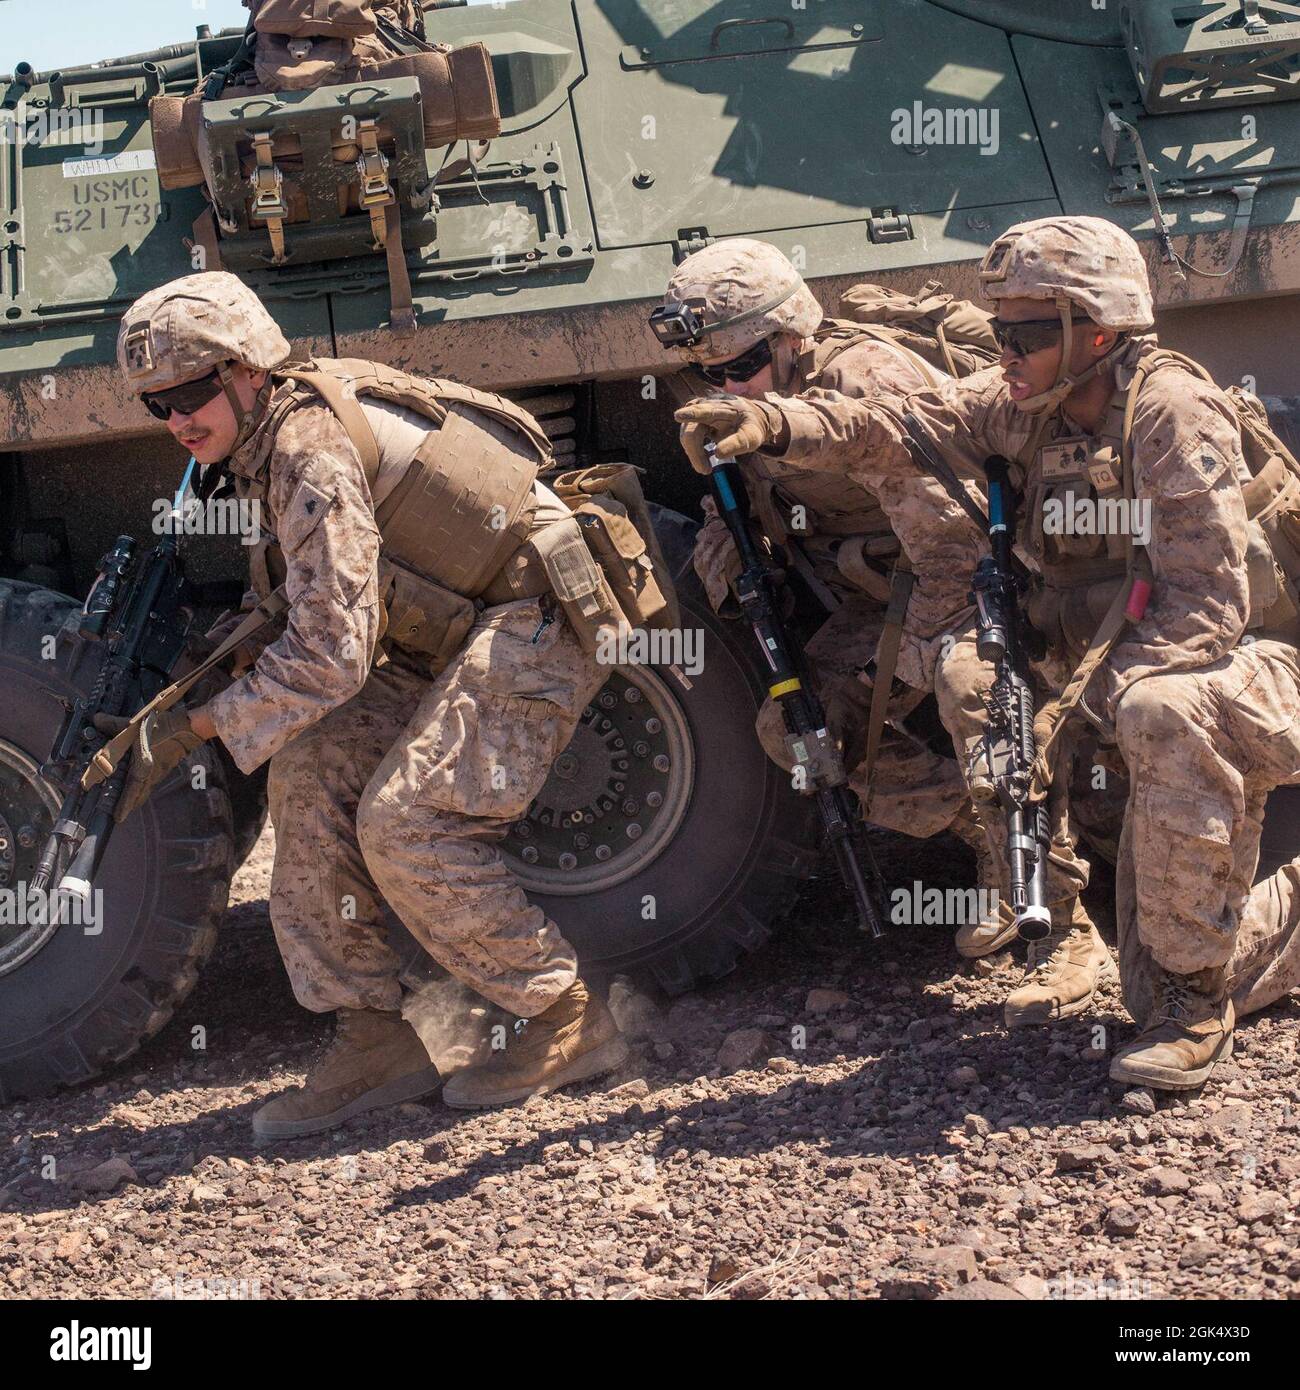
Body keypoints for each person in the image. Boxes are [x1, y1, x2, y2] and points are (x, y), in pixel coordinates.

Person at [675, 216, 1300, 1086]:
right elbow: (896, 426)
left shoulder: (1166, 411)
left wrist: (1069, 722)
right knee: (991, 693)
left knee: (1156, 709)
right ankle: (1164, 951)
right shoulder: (1020, 407)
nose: (1004, 351)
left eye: (1029, 334)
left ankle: (1194, 1012)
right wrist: (773, 425)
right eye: (1000, 330)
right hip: (1137, 667)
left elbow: (1202, 615)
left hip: (1259, 666)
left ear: (1100, 331)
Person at [111, 271, 630, 1135]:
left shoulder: (307, 449)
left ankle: (564, 1015)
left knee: (407, 821)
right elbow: (309, 606)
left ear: (247, 372)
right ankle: (375, 1038)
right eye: (156, 403)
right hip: (440, 626)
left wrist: (204, 726)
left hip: (531, 614)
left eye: (191, 392)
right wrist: (197, 681)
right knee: (307, 776)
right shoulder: (258, 446)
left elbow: (332, 654)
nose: (176, 420)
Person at [653, 238, 1008, 955]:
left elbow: (959, 541)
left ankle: (1034, 876)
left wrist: (904, 660)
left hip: (970, 583)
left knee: (968, 686)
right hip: (883, 596)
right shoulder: (748, 398)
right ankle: (981, 824)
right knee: (797, 734)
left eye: (744, 367)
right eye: (711, 373)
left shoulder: (862, 381)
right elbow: (746, 504)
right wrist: (730, 548)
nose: (731, 387)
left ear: (791, 336)